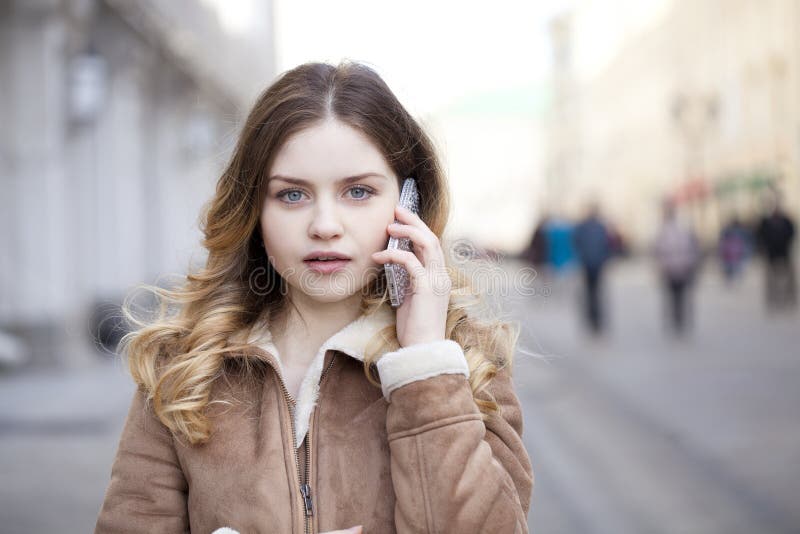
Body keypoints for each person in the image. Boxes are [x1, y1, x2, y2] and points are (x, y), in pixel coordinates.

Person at [94, 61, 533, 534]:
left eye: (359, 191)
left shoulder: (464, 361)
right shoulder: (183, 369)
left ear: (409, 204)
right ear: (254, 211)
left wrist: (424, 364)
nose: (325, 225)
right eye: (292, 195)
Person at [652, 201, 701, 336]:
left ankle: (676, 320)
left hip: (669, 269)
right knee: (681, 296)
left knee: (672, 296)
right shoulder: (683, 230)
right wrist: (691, 263)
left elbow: (658, 251)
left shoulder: (663, 231)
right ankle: (680, 320)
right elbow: (693, 248)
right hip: (683, 268)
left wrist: (661, 266)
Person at [572, 203, 612, 335]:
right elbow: (608, 244)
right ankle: (597, 321)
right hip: (597, 264)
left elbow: (576, 242)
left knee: (590, 294)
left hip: (588, 264)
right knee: (596, 294)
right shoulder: (601, 227)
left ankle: (592, 319)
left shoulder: (583, 227)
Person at [756, 199, 796, 310]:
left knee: (788, 278)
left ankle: (788, 298)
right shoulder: (766, 223)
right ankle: (773, 299)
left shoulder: (786, 221)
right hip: (771, 254)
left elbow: (791, 233)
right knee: (771, 279)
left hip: (784, 253)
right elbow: (761, 236)